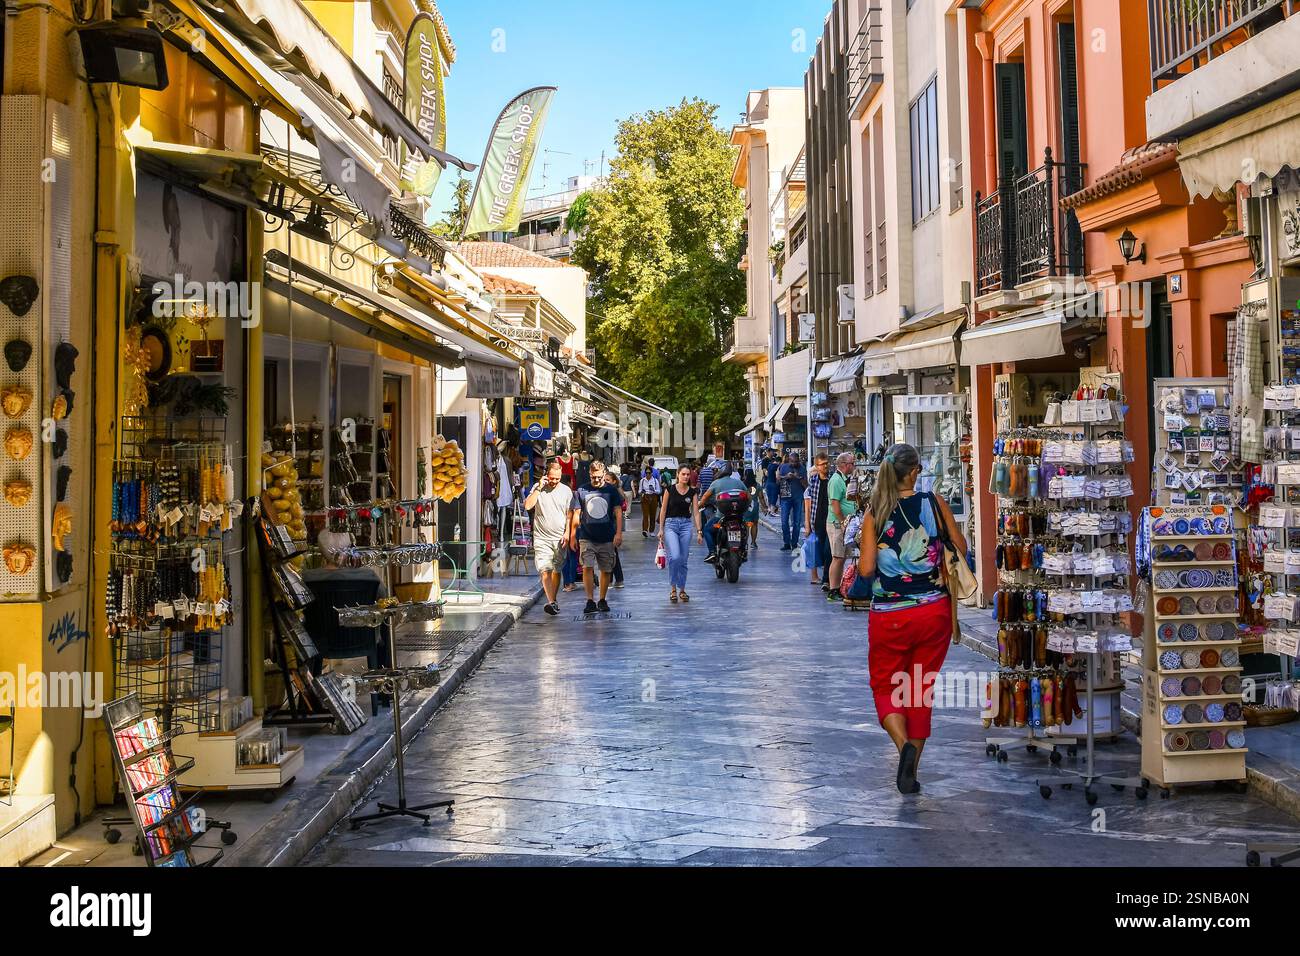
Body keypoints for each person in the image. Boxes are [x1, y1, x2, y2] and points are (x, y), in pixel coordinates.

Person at [858, 442, 967, 796]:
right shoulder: (933, 503)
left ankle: (902, 745)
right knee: (919, 688)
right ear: (916, 471)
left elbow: (867, 568)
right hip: (933, 612)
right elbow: (960, 548)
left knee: (886, 686)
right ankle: (910, 773)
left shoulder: (875, 511)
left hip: (890, 614)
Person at [566, 459, 625, 614]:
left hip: (607, 537)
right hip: (587, 536)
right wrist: (573, 536)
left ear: (604, 474)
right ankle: (590, 600)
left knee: (606, 570)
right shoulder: (582, 490)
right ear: (589, 474)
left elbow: (618, 512)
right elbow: (577, 514)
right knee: (587, 567)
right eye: (594, 477)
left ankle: (602, 599)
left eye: (599, 477)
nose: (597, 480)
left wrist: (618, 533)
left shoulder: (611, 490)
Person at [523, 459, 572, 616]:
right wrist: (538, 488)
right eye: (552, 478)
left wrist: (568, 533)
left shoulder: (566, 491)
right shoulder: (539, 488)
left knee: (556, 570)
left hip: (559, 538)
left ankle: (554, 600)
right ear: (546, 475)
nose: (555, 481)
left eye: (557, 478)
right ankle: (551, 602)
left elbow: (569, 515)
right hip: (541, 538)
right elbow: (527, 506)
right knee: (545, 570)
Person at [657, 464, 703, 603]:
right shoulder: (670, 490)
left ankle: (682, 589)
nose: (686, 477)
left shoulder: (692, 492)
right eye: (683, 474)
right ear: (677, 474)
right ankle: (673, 588)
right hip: (671, 525)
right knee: (675, 556)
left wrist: (699, 531)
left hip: (685, 525)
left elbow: (695, 512)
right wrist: (661, 529)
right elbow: (663, 510)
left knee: (683, 559)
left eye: (688, 474)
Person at [826, 452, 859, 603]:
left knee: (842, 557)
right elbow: (835, 505)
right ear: (845, 465)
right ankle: (833, 590)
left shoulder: (845, 479)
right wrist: (843, 522)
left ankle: (837, 587)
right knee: (837, 557)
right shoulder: (835, 480)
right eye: (852, 463)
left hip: (844, 523)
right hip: (837, 524)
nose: (854, 466)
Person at [699, 461, 749, 562]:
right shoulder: (738, 482)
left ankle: (712, 552)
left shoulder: (716, 483)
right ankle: (743, 551)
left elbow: (705, 497)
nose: (715, 472)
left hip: (721, 517)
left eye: (716, 470)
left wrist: (699, 505)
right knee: (744, 529)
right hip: (738, 516)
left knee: (707, 530)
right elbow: (748, 496)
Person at [803, 454, 831, 589]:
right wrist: (807, 525)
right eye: (822, 464)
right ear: (817, 466)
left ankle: (827, 578)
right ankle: (815, 576)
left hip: (831, 521)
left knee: (828, 550)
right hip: (817, 521)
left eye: (827, 463)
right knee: (815, 549)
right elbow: (808, 506)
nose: (825, 466)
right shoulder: (813, 482)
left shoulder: (833, 480)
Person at [777, 452, 806, 550]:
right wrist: (786, 477)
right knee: (784, 521)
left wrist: (798, 478)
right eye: (792, 461)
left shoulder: (802, 468)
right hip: (785, 497)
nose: (794, 464)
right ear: (789, 460)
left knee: (797, 522)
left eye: (796, 462)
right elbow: (778, 480)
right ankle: (786, 543)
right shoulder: (783, 467)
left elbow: (806, 485)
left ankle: (794, 543)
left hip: (798, 497)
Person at [638, 462, 662, 537]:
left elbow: (659, 491)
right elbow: (639, 490)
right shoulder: (642, 481)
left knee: (652, 514)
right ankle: (645, 530)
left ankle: (651, 530)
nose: (647, 474)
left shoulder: (655, 481)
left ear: (651, 473)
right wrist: (642, 491)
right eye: (646, 473)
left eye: (649, 473)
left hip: (653, 496)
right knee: (645, 514)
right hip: (645, 497)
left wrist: (653, 490)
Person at [763, 452, 781, 517]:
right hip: (773, 484)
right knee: (774, 497)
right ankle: (773, 512)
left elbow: (767, 473)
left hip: (768, 483)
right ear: (779, 462)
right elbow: (777, 476)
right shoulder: (777, 466)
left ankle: (770, 510)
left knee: (770, 497)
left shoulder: (769, 465)